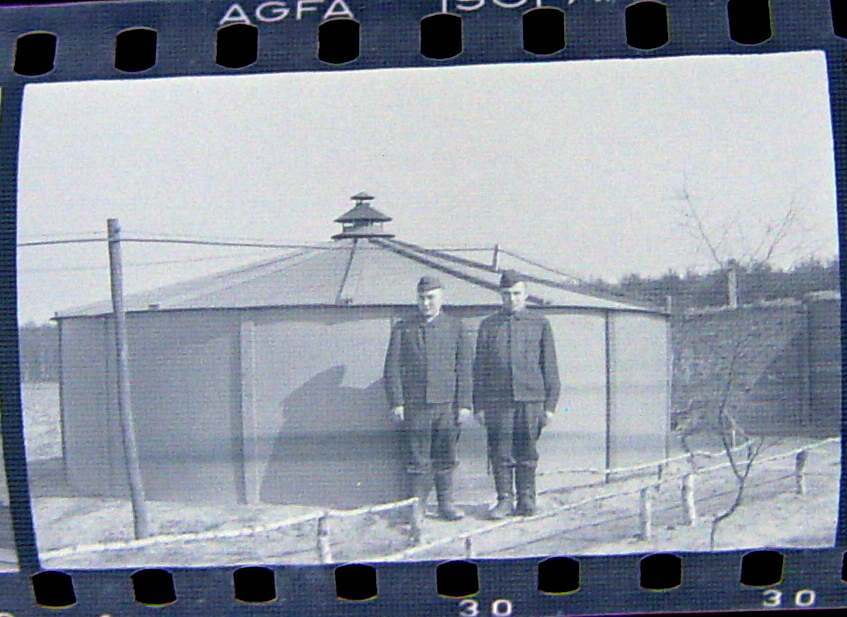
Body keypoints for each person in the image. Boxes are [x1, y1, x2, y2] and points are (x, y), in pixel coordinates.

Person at [383, 275, 473, 521]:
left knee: (446, 457)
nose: (426, 303)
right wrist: (397, 402)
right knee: (417, 459)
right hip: (416, 407)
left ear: (441, 298)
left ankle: (446, 505)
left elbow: (464, 368)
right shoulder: (404, 328)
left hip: (447, 406)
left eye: (431, 298)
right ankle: (417, 508)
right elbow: (392, 368)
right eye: (421, 298)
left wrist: (464, 404)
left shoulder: (455, 327)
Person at [473, 270, 560, 518]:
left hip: (531, 400)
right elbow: (479, 369)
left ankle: (526, 499)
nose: (511, 299)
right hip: (498, 401)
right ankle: (504, 500)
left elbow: (550, 366)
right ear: (500, 295)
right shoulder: (489, 325)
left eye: (516, 293)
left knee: (527, 451)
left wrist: (550, 406)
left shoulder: (540, 324)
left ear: (525, 294)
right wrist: (479, 405)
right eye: (506, 294)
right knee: (500, 452)